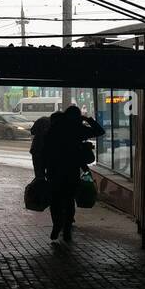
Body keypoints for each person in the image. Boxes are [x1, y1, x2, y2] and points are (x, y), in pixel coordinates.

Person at [44, 104, 104, 244]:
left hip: (54, 170)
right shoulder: (78, 129)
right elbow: (99, 131)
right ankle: (67, 230)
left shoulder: (55, 128)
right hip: (71, 170)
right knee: (69, 199)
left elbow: (46, 149)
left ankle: (56, 225)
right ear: (77, 117)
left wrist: (43, 169)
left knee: (55, 200)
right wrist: (87, 119)